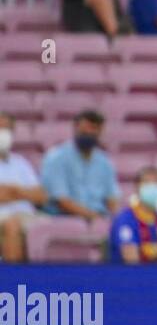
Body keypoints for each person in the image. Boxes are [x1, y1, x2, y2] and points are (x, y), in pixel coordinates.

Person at [40, 110, 120, 221]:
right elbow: (62, 201)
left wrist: (115, 220)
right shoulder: (56, 157)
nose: (89, 133)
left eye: (94, 129)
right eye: (86, 129)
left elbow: (112, 199)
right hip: (64, 219)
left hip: (99, 217)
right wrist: (93, 218)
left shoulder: (104, 162)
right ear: (75, 128)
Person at [0, 113, 45, 262]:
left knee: (59, 226)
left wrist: (15, 191)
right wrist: (23, 193)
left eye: (7, 129)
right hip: (4, 216)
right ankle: (14, 280)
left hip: (27, 215)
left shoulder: (21, 163)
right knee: (12, 225)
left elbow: (41, 196)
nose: (3, 133)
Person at [107, 166, 157, 264]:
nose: (152, 188)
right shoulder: (125, 220)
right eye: (147, 183)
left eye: (156, 184)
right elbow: (131, 261)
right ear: (137, 187)